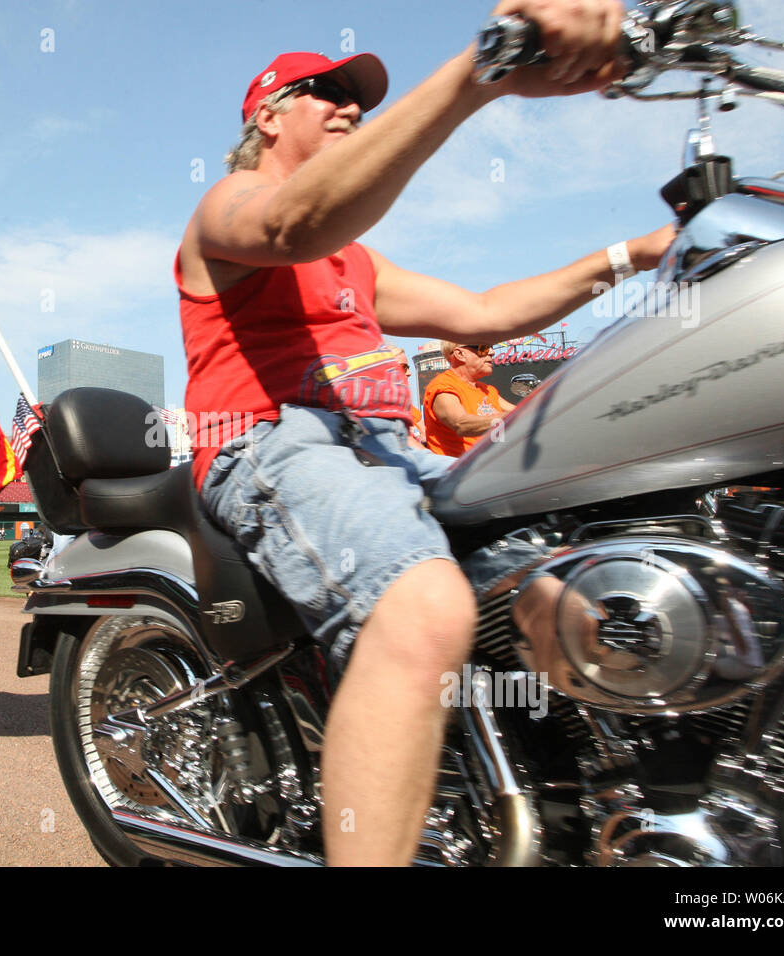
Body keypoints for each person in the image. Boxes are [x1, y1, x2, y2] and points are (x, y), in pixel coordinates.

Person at [177, 0, 675, 865]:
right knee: (422, 603)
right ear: (265, 116)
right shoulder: (232, 204)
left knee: (571, 599)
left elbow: (485, 312)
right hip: (272, 440)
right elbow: (295, 221)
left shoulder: (356, 264)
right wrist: (484, 73)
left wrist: (640, 252)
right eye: (325, 91)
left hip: (383, 453)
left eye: (358, 102)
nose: (350, 108)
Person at [422, 341, 514, 456]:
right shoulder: (443, 386)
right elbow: (461, 424)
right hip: (460, 470)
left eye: (491, 347)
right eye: (483, 348)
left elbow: (523, 409)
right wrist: (512, 417)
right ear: (460, 354)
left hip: (494, 466)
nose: (492, 352)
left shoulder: (488, 390)